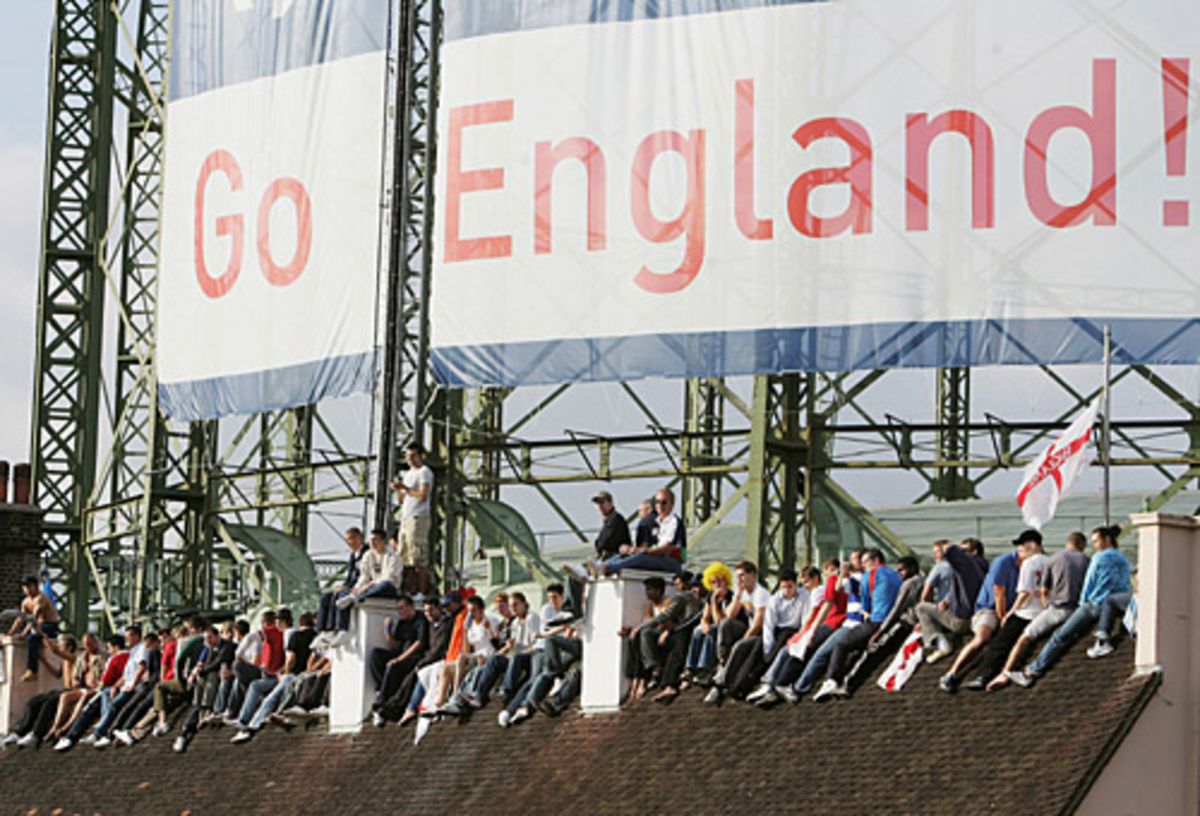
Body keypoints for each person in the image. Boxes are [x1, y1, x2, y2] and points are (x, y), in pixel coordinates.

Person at [1011, 525, 1131, 687]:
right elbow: (1124, 584)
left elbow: (1089, 582)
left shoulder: (1099, 557)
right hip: (1111, 605)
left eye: (1096, 541)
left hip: (1094, 604)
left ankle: (1031, 671)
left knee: (1060, 637)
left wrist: (1083, 603)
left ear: (1107, 540)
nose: (1094, 545)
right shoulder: (1122, 559)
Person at [987, 531, 1089, 691]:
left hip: (1057, 608)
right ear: (1082, 545)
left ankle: (1006, 673)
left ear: (1068, 542)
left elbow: (1044, 591)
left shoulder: (1054, 559)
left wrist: (1044, 605)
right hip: (1078, 609)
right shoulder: (1087, 560)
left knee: (1025, 637)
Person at [938, 531, 1030, 693]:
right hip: (988, 609)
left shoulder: (1025, 566)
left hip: (1008, 610)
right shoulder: (1003, 562)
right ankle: (951, 673)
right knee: (982, 638)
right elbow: (998, 593)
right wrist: (1003, 619)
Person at [812, 549, 902, 701]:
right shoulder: (896, 575)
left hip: (877, 619)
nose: (863, 565)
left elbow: (866, 605)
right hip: (894, 621)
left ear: (874, 561)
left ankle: (831, 681)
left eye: (866, 562)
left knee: (841, 644)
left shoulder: (870, 575)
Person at [960, 535, 1047, 690]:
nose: (1020, 549)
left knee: (1000, 644)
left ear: (1032, 545)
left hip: (1026, 611)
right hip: (1043, 611)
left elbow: (1024, 592)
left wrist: (1011, 612)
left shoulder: (1029, 563)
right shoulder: (1050, 561)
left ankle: (984, 676)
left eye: (1022, 545)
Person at [706, 564, 801, 704]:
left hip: (759, 634)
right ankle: (722, 664)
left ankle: (722, 683)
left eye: (742, 575)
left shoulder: (761, 594)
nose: (740, 579)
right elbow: (725, 619)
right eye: (737, 576)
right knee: (726, 625)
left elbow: (758, 625)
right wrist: (734, 596)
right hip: (747, 630)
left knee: (739, 647)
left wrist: (744, 638)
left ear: (753, 575)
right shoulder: (743, 593)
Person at [231, 611, 318, 743]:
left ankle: (251, 726)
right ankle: (245, 720)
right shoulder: (315, 636)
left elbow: (291, 658)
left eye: (277, 621)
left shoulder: (292, 635)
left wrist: (285, 673)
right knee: (256, 686)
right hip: (299, 675)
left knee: (268, 697)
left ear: (281, 621)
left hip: (292, 675)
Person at [747, 565, 825, 706]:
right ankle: (759, 681)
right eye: (784, 587)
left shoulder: (805, 596)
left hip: (795, 630)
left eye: (790, 586)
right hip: (781, 631)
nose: (787, 590)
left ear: (796, 585)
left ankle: (769, 682)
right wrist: (767, 648)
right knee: (761, 645)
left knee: (787, 647)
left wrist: (801, 635)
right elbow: (769, 625)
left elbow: (806, 619)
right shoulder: (775, 599)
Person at [914, 538, 988, 664]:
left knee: (921, 608)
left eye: (964, 551)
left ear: (974, 552)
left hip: (961, 620)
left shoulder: (950, 567)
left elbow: (926, 593)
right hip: (979, 617)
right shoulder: (985, 566)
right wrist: (948, 600)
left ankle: (940, 643)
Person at [53, 634, 128, 751]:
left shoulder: (111, 658)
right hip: (97, 688)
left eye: (89, 643)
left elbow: (107, 679)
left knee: (89, 706)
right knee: (65, 697)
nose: (87, 646)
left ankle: (70, 732)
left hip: (101, 689)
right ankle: (56, 728)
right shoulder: (82, 657)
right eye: (85, 644)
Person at [467, 591, 540, 709]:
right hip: (516, 655)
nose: (513, 608)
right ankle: (480, 695)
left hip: (530, 656)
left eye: (515, 605)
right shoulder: (515, 623)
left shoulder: (532, 617)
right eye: (511, 606)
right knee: (496, 659)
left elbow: (536, 642)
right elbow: (513, 643)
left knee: (516, 657)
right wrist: (510, 645)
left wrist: (517, 650)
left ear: (524, 604)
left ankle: (506, 691)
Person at [3, 634, 78, 749]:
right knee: (34, 702)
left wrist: (41, 635)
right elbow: (57, 674)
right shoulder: (64, 661)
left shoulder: (73, 657)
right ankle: (19, 732)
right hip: (62, 690)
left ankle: (36, 733)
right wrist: (43, 660)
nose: (59, 646)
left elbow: (54, 650)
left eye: (61, 644)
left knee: (49, 703)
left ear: (69, 647)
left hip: (71, 691)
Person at [641, 572, 706, 704]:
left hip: (685, 632)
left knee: (675, 650)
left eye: (679, 583)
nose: (696, 589)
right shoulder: (697, 599)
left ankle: (666, 681)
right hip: (682, 631)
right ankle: (661, 680)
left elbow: (666, 616)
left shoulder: (685, 597)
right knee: (670, 649)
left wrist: (640, 627)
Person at [173, 625, 236, 754]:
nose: (208, 641)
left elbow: (218, 662)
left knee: (210, 678)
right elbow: (202, 663)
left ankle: (204, 711)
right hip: (207, 681)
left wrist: (202, 670)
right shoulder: (208, 648)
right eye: (206, 638)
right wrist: (197, 671)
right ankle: (187, 728)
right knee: (198, 695)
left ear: (217, 636)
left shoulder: (227, 646)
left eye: (210, 638)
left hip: (218, 680)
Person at [368, 595, 428, 725]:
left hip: (414, 657)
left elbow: (419, 643)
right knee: (375, 655)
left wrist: (399, 659)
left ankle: (381, 703)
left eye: (402, 608)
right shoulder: (402, 623)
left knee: (393, 666)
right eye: (398, 609)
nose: (400, 612)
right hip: (401, 655)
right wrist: (387, 633)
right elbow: (395, 646)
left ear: (411, 607)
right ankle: (381, 688)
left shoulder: (420, 620)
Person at [90, 625, 151, 749]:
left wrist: (133, 685)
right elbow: (125, 675)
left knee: (114, 706)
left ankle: (100, 733)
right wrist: (116, 686)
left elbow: (142, 668)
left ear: (136, 636)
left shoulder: (141, 649)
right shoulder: (132, 651)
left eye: (128, 637)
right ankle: (103, 723)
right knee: (106, 694)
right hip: (126, 685)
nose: (126, 640)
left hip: (134, 687)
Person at [601, 488, 685, 575]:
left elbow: (667, 548)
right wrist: (632, 550)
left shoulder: (674, 522)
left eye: (664, 502)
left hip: (672, 562)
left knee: (640, 557)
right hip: (658, 557)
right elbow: (649, 546)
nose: (660, 505)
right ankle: (601, 565)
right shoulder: (657, 522)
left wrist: (644, 550)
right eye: (657, 502)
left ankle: (610, 568)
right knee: (624, 556)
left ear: (672, 504)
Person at [682, 562, 734, 686]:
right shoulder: (711, 596)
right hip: (716, 625)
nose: (717, 584)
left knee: (713, 629)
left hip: (729, 629)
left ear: (726, 580)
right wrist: (704, 623)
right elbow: (705, 617)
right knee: (698, 630)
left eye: (719, 581)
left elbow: (719, 621)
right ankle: (690, 667)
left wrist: (715, 603)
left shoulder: (731, 596)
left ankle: (704, 668)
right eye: (713, 582)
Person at [7, 575, 61, 681]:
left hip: (50, 625)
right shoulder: (26, 602)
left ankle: (32, 670)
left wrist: (23, 634)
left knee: (32, 638)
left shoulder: (41, 598)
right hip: (38, 625)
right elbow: (20, 619)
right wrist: (10, 632)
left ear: (35, 586)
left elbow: (34, 618)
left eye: (29, 586)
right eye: (24, 587)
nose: (26, 590)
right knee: (33, 635)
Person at [336, 528, 403, 611]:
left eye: (375, 540)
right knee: (342, 595)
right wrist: (357, 588)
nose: (372, 543)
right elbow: (364, 576)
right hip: (371, 587)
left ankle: (355, 598)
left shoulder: (393, 556)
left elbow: (389, 577)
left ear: (383, 541)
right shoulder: (368, 555)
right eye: (371, 540)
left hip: (389, 588)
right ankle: (342, 622)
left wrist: (369, 585)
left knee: (385, 585)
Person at [316, 527, 366, 635]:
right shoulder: (353, 555)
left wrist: (349, 587)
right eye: (347, 540)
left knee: (339, 597)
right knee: (325, 598)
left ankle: (338, 628)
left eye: (352, 538)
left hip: (359, 586)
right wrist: (344, 585)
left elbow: (364, 574)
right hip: (350, 585)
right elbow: (350, 576)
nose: (349, 542)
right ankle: (322, 629)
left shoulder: (366, 553)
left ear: (360, 538)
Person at [392, 442, 433, 569]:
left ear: (421, 456)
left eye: (413, 455)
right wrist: (398, 489)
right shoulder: (407, 474)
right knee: (404, 554)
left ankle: (421, 587)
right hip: (406, 517)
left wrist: (405, 487)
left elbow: (422, 495)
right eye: (408, 456)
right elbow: (402, 500)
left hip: (418, 517)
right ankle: (410, 587)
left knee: (417, 555)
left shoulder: (424, 472)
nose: (409, 459)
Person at [592, 490, 632, 561]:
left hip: (616, 557)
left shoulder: (616, 520)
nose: (600, 506)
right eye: (597, 504)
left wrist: (598, 546)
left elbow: (605, 543)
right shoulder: (609, 520)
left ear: (611, 503)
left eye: (602, 503)